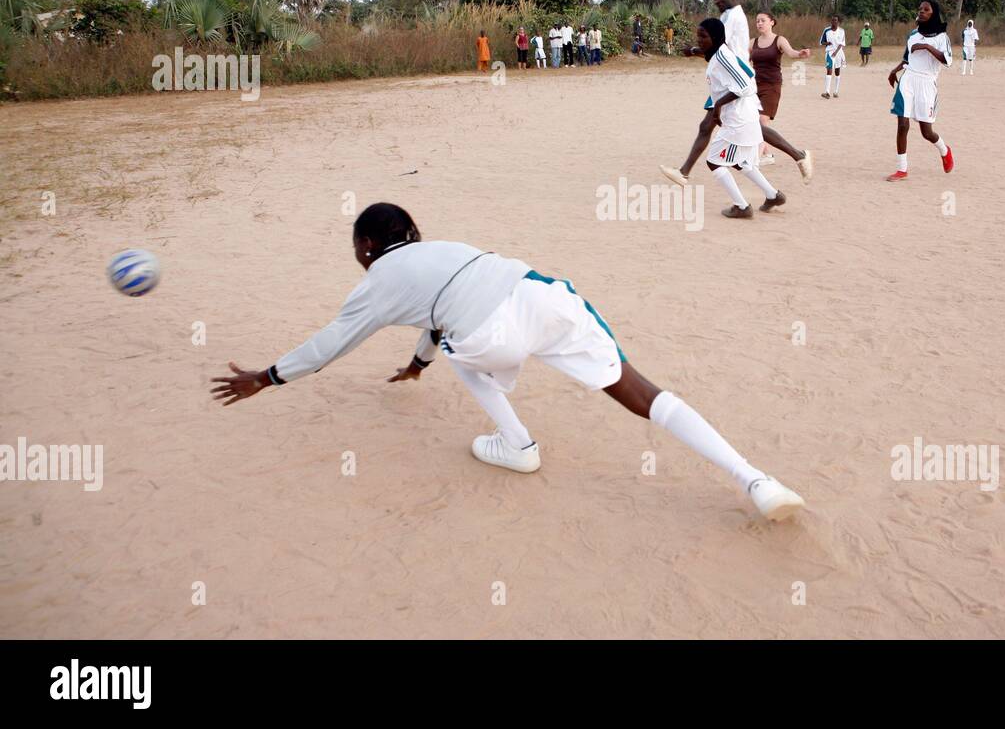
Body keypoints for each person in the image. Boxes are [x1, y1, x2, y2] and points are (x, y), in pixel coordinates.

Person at [210, 203, 805, 522]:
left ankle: (518, 445)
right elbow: (437, 311)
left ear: (365, 249)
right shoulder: (440, 250)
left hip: (485, 336)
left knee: (461, 346)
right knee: (642, 393)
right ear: (413, 231)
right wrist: (419, 362)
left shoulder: (377, 281)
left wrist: (266, 376)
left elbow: (331, 343)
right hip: (541, 296)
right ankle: (757, 480)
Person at [660, 0, 811, 187]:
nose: (717, 1)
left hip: (736, 80)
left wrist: (694, 50)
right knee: (714, 126)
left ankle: (685, 173)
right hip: (730, 78)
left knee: (739, 128)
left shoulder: (733, 16)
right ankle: (795, 159)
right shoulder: (729, 16)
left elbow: (716, 46)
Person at [691, 19, 787, 218]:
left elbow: (747, 85)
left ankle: (741, 207)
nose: (699, 40)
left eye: (703, 36)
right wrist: (693, 51)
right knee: (740, 162)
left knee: (714, 161)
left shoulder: (723, 56)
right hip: (743, 117)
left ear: (716, 38)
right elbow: (746, 73)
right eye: (698, 36)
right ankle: (773, 195)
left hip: (739, 120)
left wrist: (717, 106)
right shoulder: (719, 54)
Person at [886, 0, 954, 181]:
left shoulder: (941, 37)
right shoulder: (913, 35)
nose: (922, 11)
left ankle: (944, 150)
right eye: (920, 9)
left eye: (926, 9)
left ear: (934, 13)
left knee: (926, 132)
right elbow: (908, 58)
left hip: (927, 82)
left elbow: (947, 61)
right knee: (902, 125)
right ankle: (902, 169)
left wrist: (927, 46)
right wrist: (895, 70)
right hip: (908, 79)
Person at [749, 11, 814, 172]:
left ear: (772, 22)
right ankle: (767, 155)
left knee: (762, 120)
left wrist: (801, 54)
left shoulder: (779, 40)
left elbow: (792, 53)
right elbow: (742, 59)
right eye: (757, 21)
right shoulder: (752, 42)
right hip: (753, 86)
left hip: (772, 86)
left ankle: (755, 160)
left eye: (763, 20)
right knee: (752, 120)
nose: (759, 23)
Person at [820, 14, 846, 98]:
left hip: (839, 53)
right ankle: (827, 92)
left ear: (838, 22)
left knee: (837, 72)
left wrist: (836, 52)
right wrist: (827, 43)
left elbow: (841, 44)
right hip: (829, 53)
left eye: (835, 20)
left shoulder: (842, 31)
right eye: (832, 20)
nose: (833, 22)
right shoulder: (826, 30)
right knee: (829, 70)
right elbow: (821, 42)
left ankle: (835, 91)